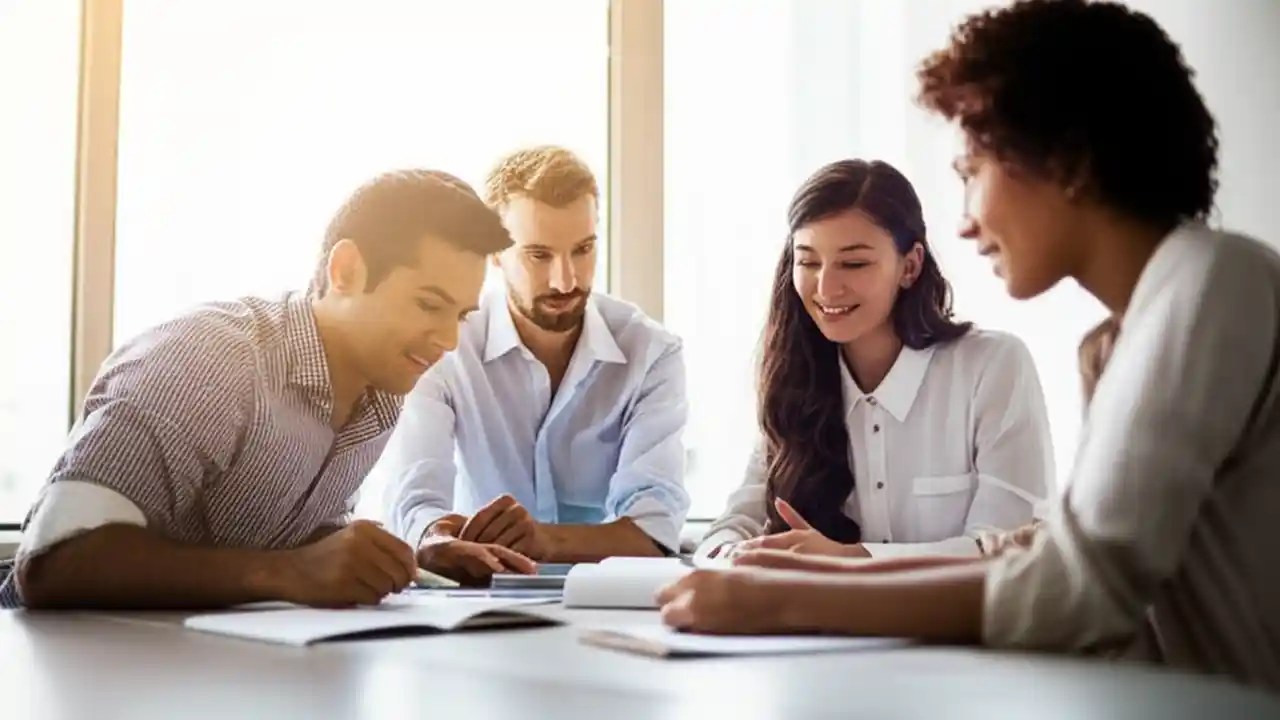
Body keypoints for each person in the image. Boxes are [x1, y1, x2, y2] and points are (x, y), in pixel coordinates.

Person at [657, 0, 1280, 691]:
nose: (966, 221)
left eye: (972, 170)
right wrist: (833, 566)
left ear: (1068, 163)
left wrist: (787, 599)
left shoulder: (1214, 282)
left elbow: (1082, 589)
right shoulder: (1119, 338)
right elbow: (1051, 555)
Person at [3, 169, 533, 609]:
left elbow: (277, 538)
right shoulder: (207, 359)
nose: (446, 340)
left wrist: (412, 560)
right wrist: (286, 573)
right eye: (427, 304)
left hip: (208, 673)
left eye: (460, 315)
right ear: (346, 270)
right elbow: (53, 563)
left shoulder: (381, 392)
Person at [696, 158, 1053, 561]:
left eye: (854, 263)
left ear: (910, 265)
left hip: (959, 624)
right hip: (815, 622)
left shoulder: (993, 367)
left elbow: (1009, 549)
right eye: (809, 262)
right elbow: (728, 527)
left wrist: (852, 559)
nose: (827, 287)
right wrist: (735, 554)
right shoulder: (797, 382)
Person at [375, 146, 689, 582]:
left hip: (605, 600)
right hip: (477, 599)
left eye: (583, 250)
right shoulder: (448, 347)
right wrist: (434, 539)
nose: (566, 280)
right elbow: (415, 503)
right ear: (495, 254)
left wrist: (545, 540)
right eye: (538, 255)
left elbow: (654, 533)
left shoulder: (652, 353)